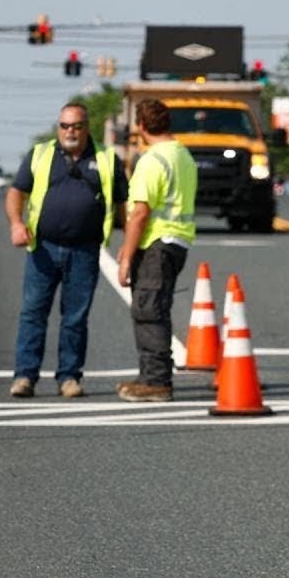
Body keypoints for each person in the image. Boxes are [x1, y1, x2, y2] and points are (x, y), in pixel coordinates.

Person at [6, 102, 127, 398]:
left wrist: (128, 245)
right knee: (33, 313)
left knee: (75, 317)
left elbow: (125, 204)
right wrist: (16, 224)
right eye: (65, 126)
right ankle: (25, 376)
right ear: (58, 127)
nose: (70, 131)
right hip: (43, 249)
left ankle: (69, 377)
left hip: (84, 251)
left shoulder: (108, 160)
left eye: (76, 126)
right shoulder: (40, 154)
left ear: (87, 128)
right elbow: (16, 192)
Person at [116, 99, 198, 402]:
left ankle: (156, 381)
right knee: (154, 307)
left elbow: (139, 213)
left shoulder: (152, 161)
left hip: (157, 243)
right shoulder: (183, 155)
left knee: (148, 310)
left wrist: (125, 255)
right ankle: (148, 374)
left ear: (141, 126)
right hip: (177, 242)